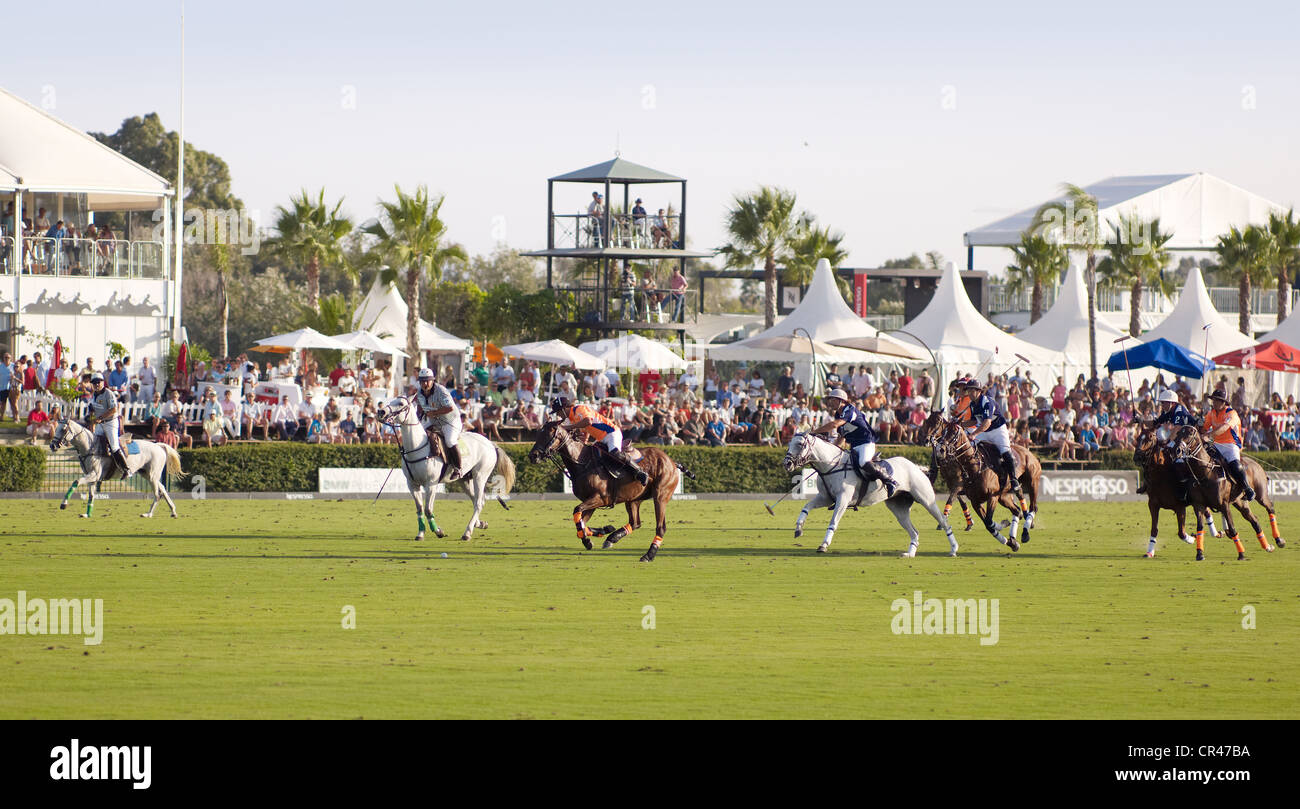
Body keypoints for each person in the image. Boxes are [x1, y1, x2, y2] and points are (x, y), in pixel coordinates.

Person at [810, 387, 897, 496]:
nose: (830, 402)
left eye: (833, 399)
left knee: (863, 462)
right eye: (830, 399)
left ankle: (889, 481)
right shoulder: (838, 414)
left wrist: (815, 432)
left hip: (866, 442)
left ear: (842, 401)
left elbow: (834, 425)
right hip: (854, 446)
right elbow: (842, 436)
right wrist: (832, 452)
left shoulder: (849, 409)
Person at [550, 395, 649, 485]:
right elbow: (586, 429)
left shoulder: (579, 409)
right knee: (592, 457)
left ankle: (639, 472)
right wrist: (583, 439)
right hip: (601, 438)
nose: (559, 415)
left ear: (564, 408)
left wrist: (569, 427)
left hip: (611, 432)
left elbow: (588, 421)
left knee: (615, 453)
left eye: (558, 412)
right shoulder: (572, 417)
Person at [963, 380, 1022, 499]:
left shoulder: (987, 402)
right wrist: (960, 423)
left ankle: (1014, 480)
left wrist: (974, 434)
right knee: (970, 449)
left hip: (997, 430)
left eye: (972, 390)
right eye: (968, 390)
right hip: (984, 431)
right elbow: (975, 420)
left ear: (978, 391)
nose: (969, 392)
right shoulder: (973, 404)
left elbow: (986, 423)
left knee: (1005, 452)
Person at [1138, 389, 1198, 498]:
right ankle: (1149, 483)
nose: (1162, 405)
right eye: (1162, 402)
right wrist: (1140, 421)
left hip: (1190, 438)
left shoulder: (1179, 410)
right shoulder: (1169, 412)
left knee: (1176, 456)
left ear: (1172, 403)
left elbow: (1177, 428)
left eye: (1164, 402)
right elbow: (1155, 423)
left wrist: (1168, 441)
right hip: (1181, 437)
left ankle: (1184, 489)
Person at [1203, 388, 1254, 501]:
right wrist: (1200, 423)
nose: (1214, 402)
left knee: (1235, 465)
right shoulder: (1211, 413)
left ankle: (1247, 488)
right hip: (1216, 443)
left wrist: (1209, 435)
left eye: (1216, 400)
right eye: (1213, 400)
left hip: (1231, 444)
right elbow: (1203, 428)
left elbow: (1224, 427)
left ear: (1223, 402)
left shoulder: (1231, 413)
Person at [413, 367, 464, 480]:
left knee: (450, 441)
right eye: (422, 381)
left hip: (450, 421)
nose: (425, 383)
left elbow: (450, 407)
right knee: (418, 434)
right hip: (434, 421)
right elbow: (420, 408)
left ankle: (458, 468)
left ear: (433, 381)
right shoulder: (420, 393)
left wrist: (434, 412)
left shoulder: (441, 390)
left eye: (427, 380)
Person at [88, 373, 129, 478]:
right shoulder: (94, 395)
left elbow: (114, 409)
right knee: (95, 442)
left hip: (111, 423)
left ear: (103, 382)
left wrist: (100, 418)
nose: (97, 384)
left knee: (114, 447)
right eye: (94, 383)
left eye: (98, 382)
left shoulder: (108, 393)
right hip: (100, 424)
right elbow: (94, 408)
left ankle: (126, 469)